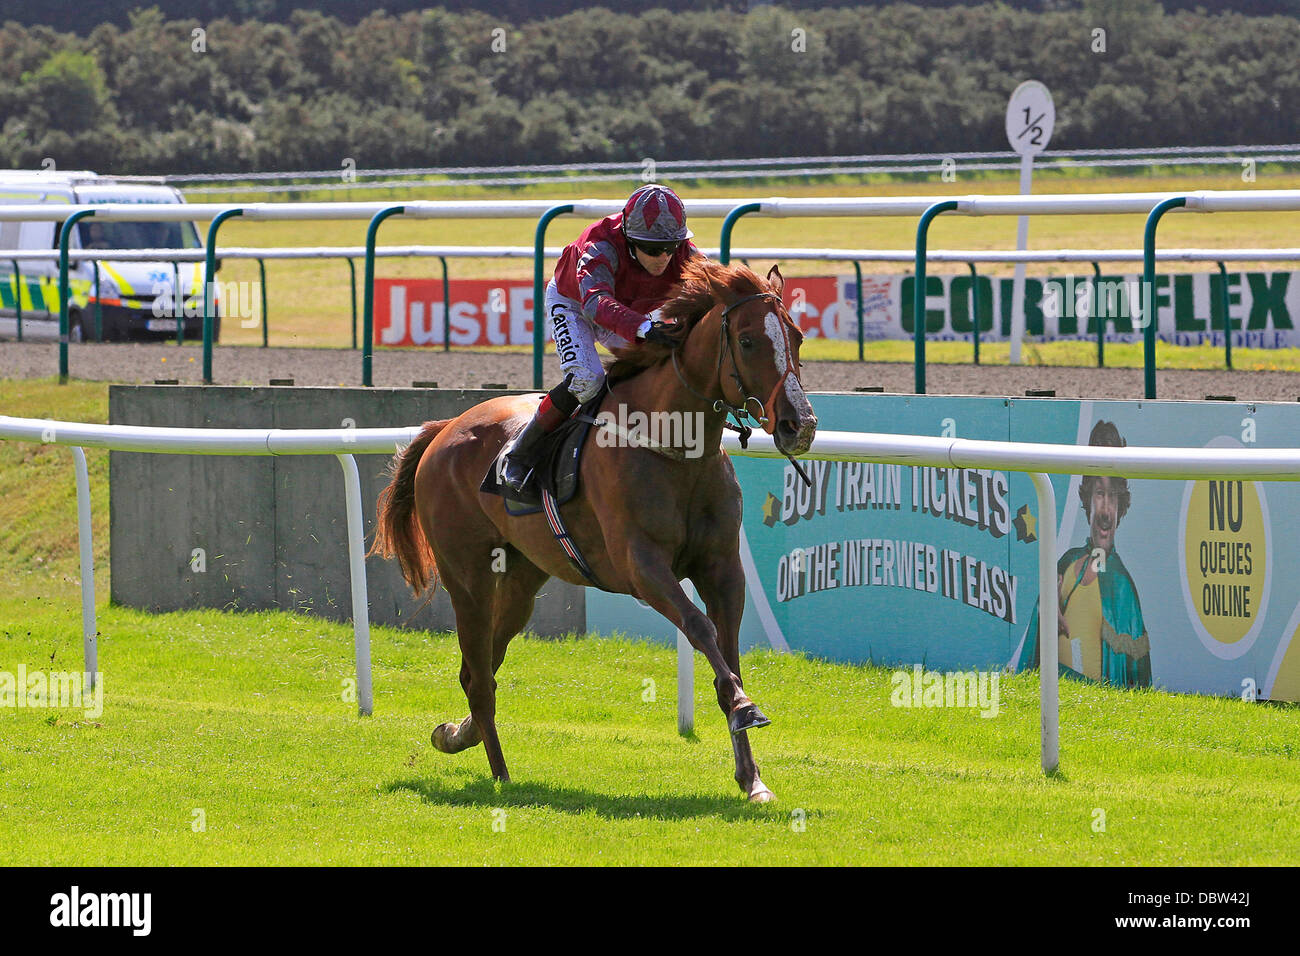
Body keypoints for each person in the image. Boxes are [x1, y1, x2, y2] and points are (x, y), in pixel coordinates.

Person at [500, 183, 703, 491]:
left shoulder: (685, 253)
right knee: (587, 379)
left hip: (626, 311)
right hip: (575, 304)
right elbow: (595, 303)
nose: (662, 257)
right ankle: (520, 454)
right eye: (651, 248)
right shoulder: (601, 244)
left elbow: (712, 288)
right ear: (629, 238)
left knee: (660, 368)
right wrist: (646, 328)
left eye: (670, 247)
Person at [1015, 420, 1151, 687]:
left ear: (1121, 506)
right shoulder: (1066, 563)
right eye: (1100, 493)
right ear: (1087, 498)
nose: (1106, 509)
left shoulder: (1123, 587)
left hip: (1095, 707)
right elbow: (1035, 649)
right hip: (1055, 695)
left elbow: (1136, 686)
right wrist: (1048, 606)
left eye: (1113, 497)